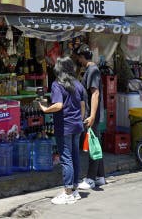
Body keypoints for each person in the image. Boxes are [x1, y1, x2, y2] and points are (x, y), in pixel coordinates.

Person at [38, 56, 86, 205]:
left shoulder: (57, 84)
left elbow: (58, 105)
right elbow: (83, 106)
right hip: (77, 125)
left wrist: (46, 109)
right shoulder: (78, 84)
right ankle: (75, 190)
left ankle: (68, 193)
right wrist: (79, 119)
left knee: (66, 159)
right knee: (74, 156)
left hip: (64, 126)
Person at [75, 44, 105, 190]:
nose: (78, 61)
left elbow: (95, 93)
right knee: (96, 142)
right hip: (92, 114)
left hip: (91, 115)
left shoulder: (92, 70)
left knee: (92, 145)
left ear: (82, 57)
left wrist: (92, 115)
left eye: (79, 58)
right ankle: (100, 176)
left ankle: (91, 179)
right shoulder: (91, 69)